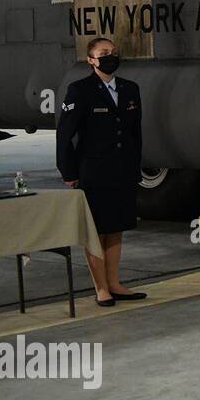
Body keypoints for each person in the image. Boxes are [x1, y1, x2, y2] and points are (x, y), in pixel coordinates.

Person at [55, 37, 146, 308]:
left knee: (117, 228)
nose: (111, 56)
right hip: (93, 171)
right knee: (96, 230)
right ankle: (101, 288)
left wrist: (135, 167)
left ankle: (115, 283)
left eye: (114, 52)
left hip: (122, 170)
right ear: (91, 60)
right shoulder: (80, 90)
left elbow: (135, 133)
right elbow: (65, 135)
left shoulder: (130, 89)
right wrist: (68, 171)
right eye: (104, 53)